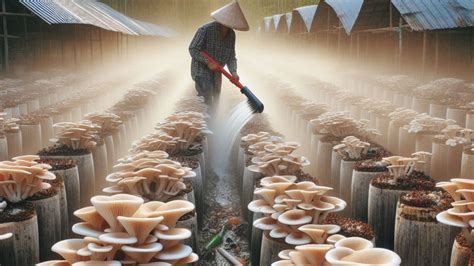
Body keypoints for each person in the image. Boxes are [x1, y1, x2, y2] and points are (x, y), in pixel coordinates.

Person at [189, 0, 249, 108]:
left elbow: (231, 56)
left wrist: (234, 72)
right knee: (206, 98)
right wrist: (208, 62)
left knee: (215, 102)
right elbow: (193, 48)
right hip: (201, 70)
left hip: (217, 72)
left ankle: (211, 122)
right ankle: (204, 122)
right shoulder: (205, 30)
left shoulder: (231, 35)